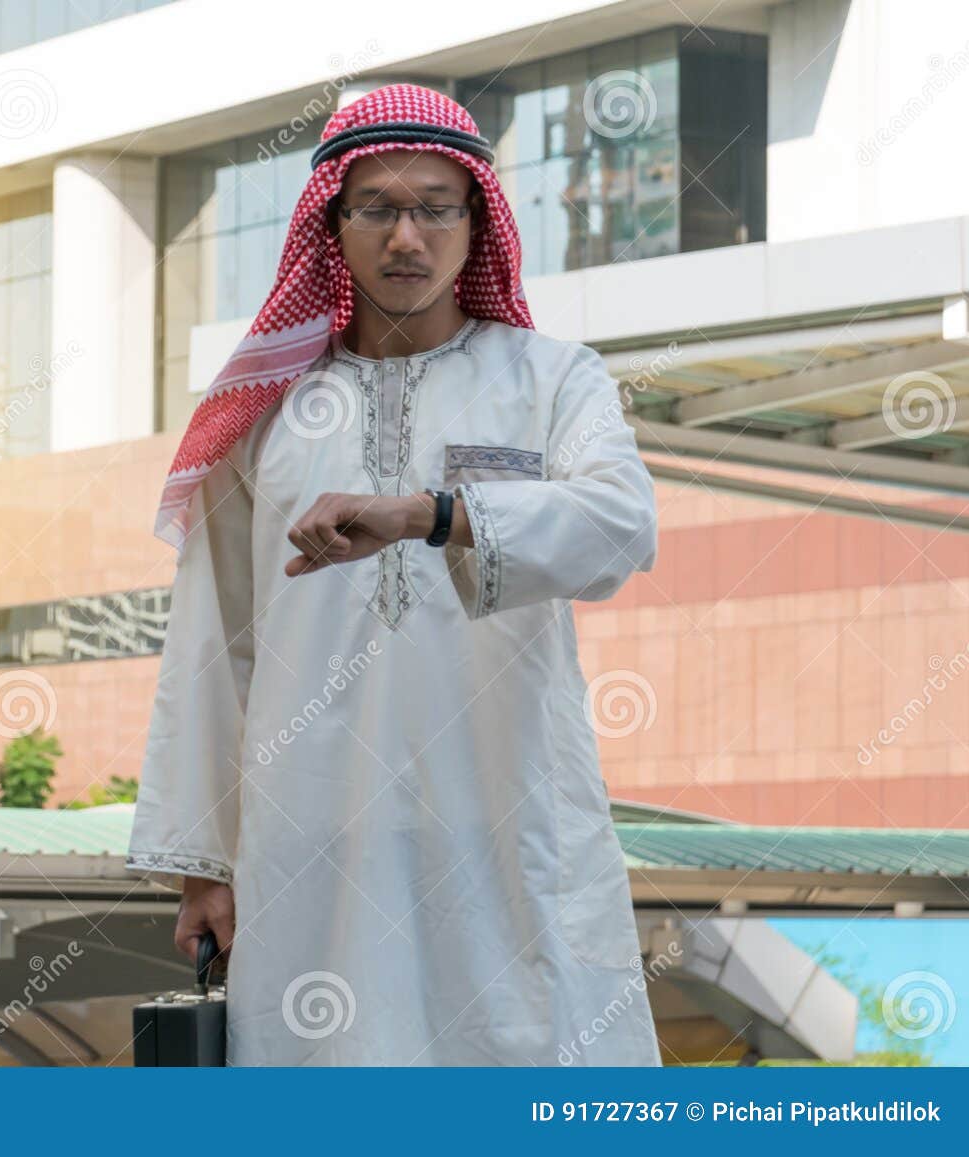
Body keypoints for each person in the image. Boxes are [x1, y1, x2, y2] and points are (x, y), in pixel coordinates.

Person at [125, 84, 662, 1066]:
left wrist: (430, 514)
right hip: (311, 839)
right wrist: (202, 864)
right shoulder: (266, 416)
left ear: (477, 224)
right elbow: (212, 646)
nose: (406, 237)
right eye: (375, 208)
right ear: (330, 224)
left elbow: (621, 525)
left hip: (507, 829)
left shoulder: (552, 379)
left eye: (435, 209)